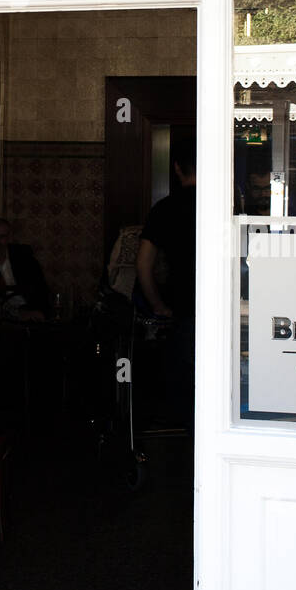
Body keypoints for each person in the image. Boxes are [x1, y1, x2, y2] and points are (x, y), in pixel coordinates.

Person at [134, 140, 196, 430]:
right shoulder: (224, 205)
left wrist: (158, 305)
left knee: (181, 390)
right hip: (220, 309)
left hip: (181, 307)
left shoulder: (166, 208)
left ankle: (181, 457)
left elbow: (143, 264)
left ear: (176, 169)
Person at [0, 216, 49, 320]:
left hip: (26, 303)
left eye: (2, 237)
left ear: (8, 237)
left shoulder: (23, 257)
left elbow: (40, 286)